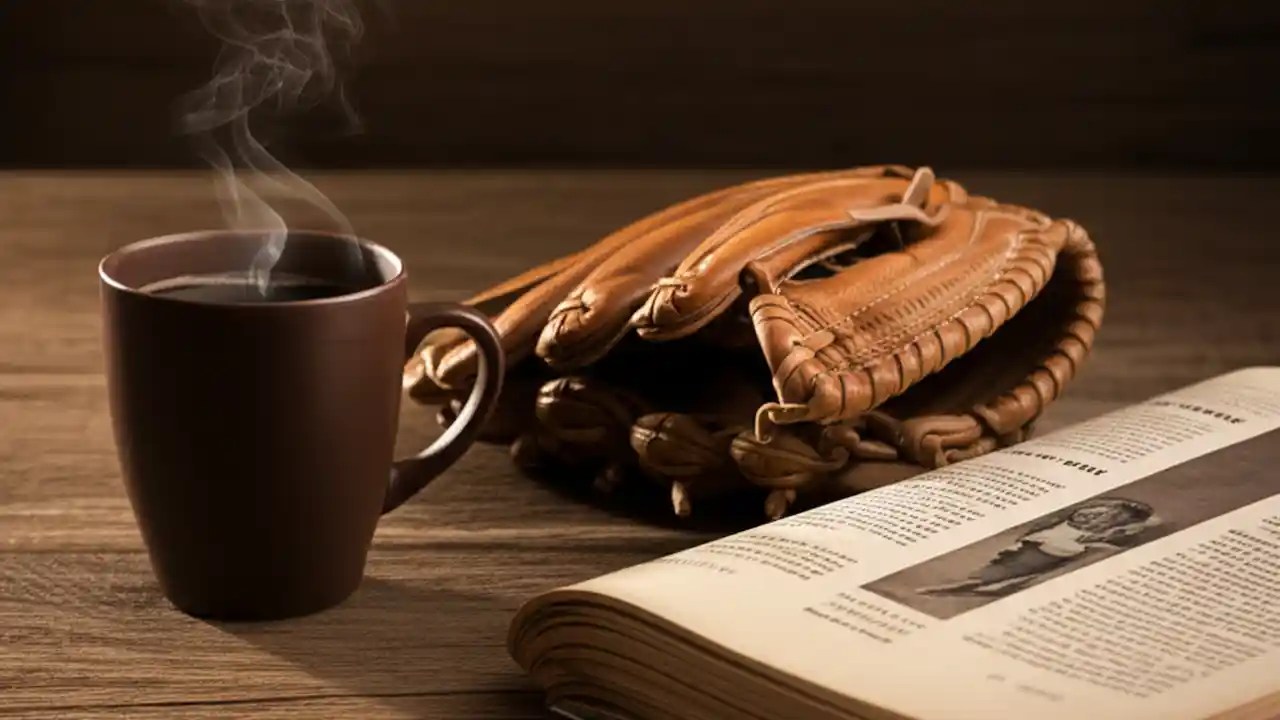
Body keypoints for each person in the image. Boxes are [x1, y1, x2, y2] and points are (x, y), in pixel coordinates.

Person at [916, 497, 1162, 596]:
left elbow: (1110, 537)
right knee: (1009, 563)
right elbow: (1070, 520)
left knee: (1017, 567)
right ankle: (973, 584)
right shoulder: (1097, 513)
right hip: (1047, 542)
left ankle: (977, 584)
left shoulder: (1125, 527)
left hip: (1057, 547)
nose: (1117, 514)